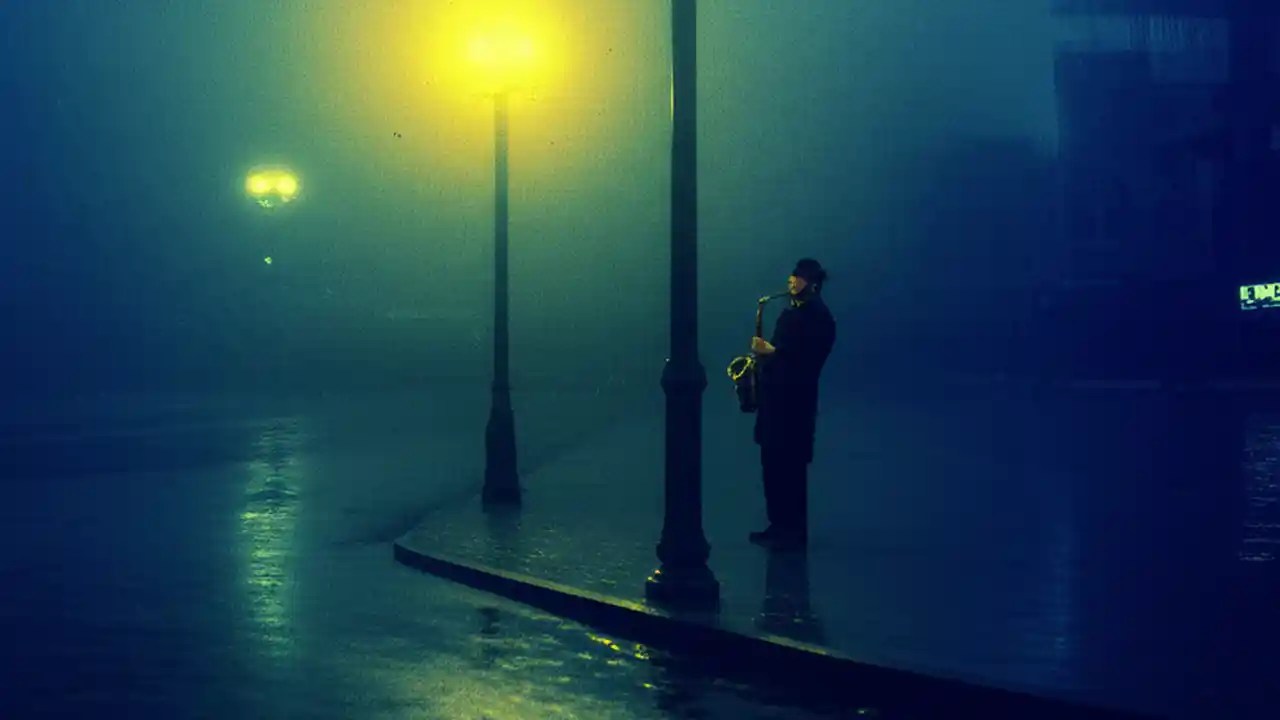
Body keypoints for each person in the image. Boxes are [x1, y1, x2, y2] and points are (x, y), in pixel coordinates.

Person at [749, 258, 836, 549]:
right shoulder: (791, 314)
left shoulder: (819, 318)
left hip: (794, 406)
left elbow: (807, 361)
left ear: (812, 283)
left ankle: (793, 532)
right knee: (772, 465)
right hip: (774, 402)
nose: (791, 281)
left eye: (798, 277)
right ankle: (778, 526)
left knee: (791, 468)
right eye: (791, 275)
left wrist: (771, 351)